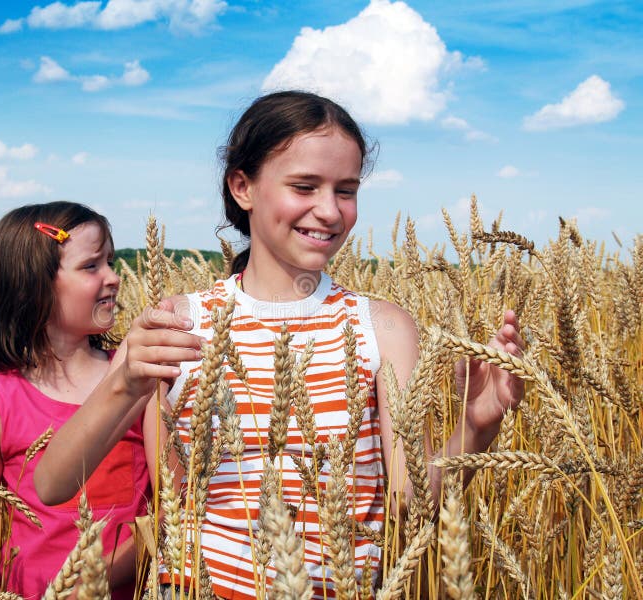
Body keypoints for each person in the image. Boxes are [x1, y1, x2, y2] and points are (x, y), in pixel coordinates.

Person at [35, 92, 525, 599]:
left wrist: (475, 426)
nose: (330, 211)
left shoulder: (383, 328)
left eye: (347, 190)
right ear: (243, 186)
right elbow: (53, 485)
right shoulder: (183, 322)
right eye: (305, 186)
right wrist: (123, 381)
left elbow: (409, 506)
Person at [0, 201, 203, 598]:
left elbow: (174, 514)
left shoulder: (139, 384)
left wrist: (91, 580)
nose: (114, 277)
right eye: (92, 266)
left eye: (111, 261)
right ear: (32, 287)